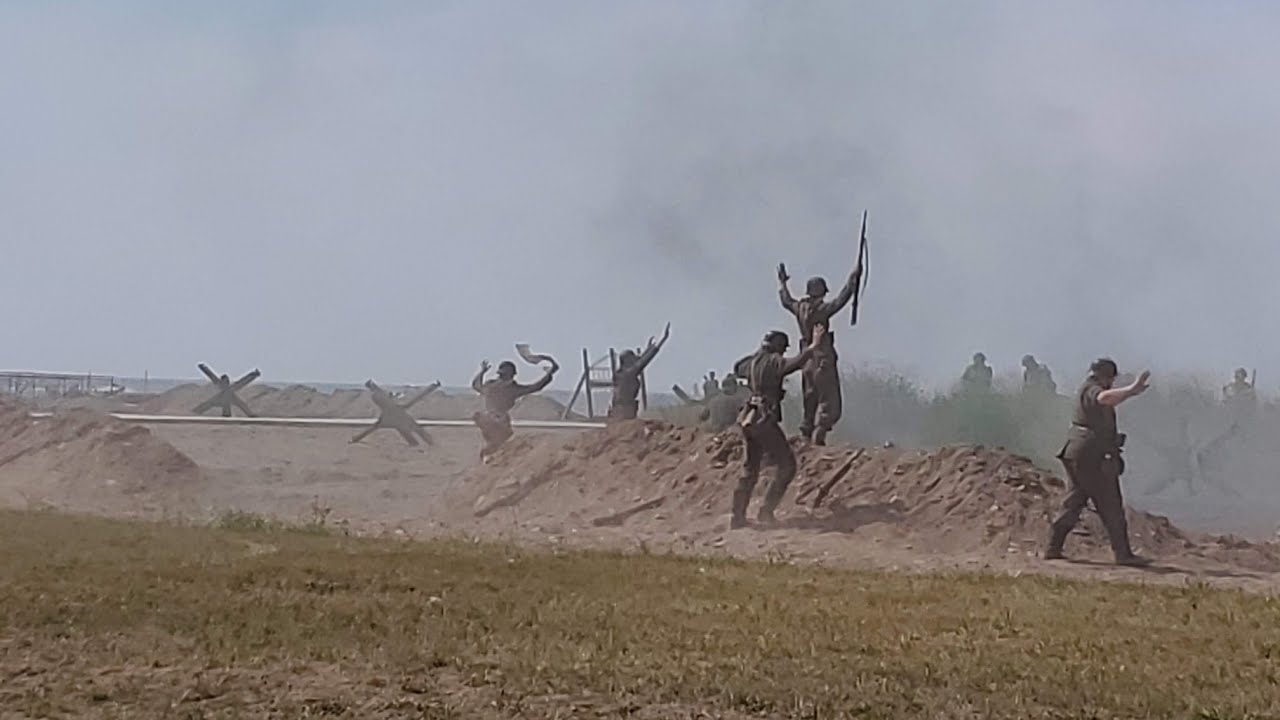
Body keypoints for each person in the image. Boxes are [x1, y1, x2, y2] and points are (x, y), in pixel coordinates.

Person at [1045, 358, 1152, 566]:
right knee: (1110, 503)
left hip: (1081, 453)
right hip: (1090, 455)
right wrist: (1131, 390)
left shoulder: (1087, 388)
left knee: (1073, 502)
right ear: (1107, 377)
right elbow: (1104, 398)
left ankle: (1052, 548)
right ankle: (1123, 554)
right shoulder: (1092, 390)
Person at [729, 324, 825, 528]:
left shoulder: (752, 362)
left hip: (749, 418)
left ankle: (737, 517)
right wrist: (813, 346)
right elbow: (795, 363)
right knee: (787, 465)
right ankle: (766, 512)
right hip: (764, 418)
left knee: (750, 469)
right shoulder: (773, 362)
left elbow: (737, 367)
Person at [776, 258, 863, 445]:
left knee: (810, 397)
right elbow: (840, 301)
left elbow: (786, 301)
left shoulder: (799, 308)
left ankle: (806, 433)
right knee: (829, 399)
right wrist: (852, 280)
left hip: (806, 358)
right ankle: (819, 433)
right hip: (822, 357)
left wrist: (783, 283)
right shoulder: (821, 310)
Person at [472, 357, 558, 459]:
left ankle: (487, 458)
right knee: (499, 443)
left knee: (493, 443)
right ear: (511, 375)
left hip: (485, 419)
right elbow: (536, 386)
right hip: (499, 421)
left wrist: (482, 372)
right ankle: (489, 459)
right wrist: (549, 374)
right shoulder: (512, 388)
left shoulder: (489, 385)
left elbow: (476, 385)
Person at [610, 323, 671, 420]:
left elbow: (641, 360)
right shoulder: (628, 374)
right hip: (625, 412)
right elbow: (644, 360)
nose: (635, 360)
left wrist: (648, 348)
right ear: (626, 361)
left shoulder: (620, 374)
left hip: (618, 410)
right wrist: (662, 340)